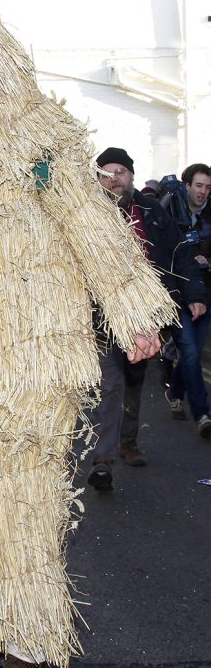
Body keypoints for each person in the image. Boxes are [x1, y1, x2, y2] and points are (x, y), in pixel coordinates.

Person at [86, 148, 208, 491]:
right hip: (102, 316)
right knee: (110, 385)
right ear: (96, 177)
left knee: (135, 382)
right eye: (107, 171)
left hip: (146, 316)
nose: (114, 178)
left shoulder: (152, 211)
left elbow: (179, 252)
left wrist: (195, 294)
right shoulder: (87, 217)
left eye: (121, 171)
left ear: (132, 176)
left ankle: (127, 441)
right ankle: (103, 460)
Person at [160, 163, 211, 434]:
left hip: (206, 293)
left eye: (208, 187)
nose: (203, 192)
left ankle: (175, 392)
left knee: (191, 354)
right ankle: (203, 415)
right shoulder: (170, 210)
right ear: (188, 185)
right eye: (199, 185)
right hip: (179, 295)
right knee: (190, 352)